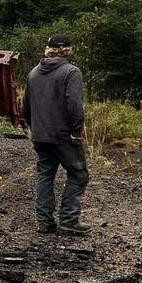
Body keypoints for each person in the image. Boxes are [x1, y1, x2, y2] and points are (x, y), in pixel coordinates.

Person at [23, 33, 90, 235]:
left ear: (48, 49)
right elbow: (74, 104)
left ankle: (44, 222)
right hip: (63, 136)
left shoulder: (34, 73)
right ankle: (69, 219)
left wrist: (34, 127)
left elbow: (25, 105)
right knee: (79, 175)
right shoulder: (71, 72)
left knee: (45, 176)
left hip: (41, 135)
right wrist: (76, 130)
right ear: (67, 50)